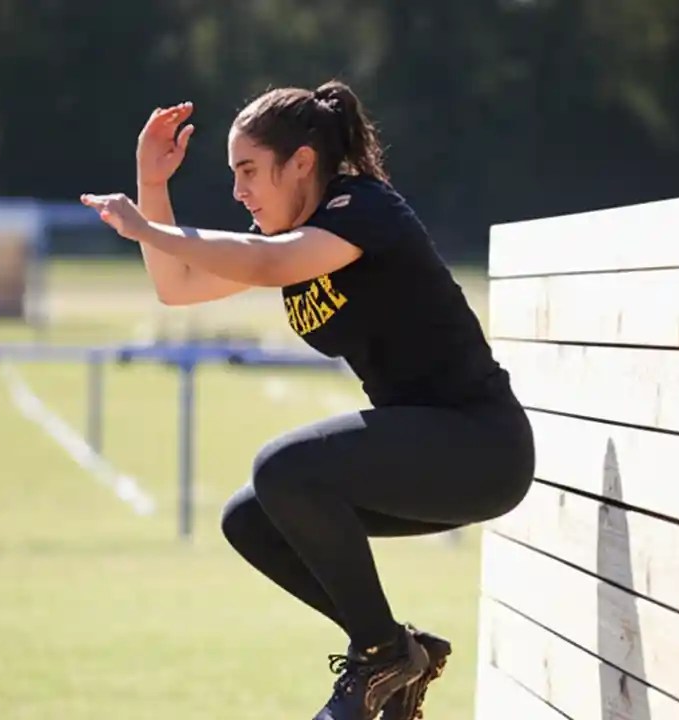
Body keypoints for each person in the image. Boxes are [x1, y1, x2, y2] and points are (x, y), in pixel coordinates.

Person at [80, 80, 535, 720]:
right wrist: (152, 187)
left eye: (248, 171)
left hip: (481, 447)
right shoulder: (299, 233)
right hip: (430, 450)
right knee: (252, 517)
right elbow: (176, 288)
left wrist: (145, 227)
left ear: (301, 163)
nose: (239, 192)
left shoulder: (362, 209)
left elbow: (268, 264)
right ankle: (399, 652)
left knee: (283, 469)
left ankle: (382, 658)